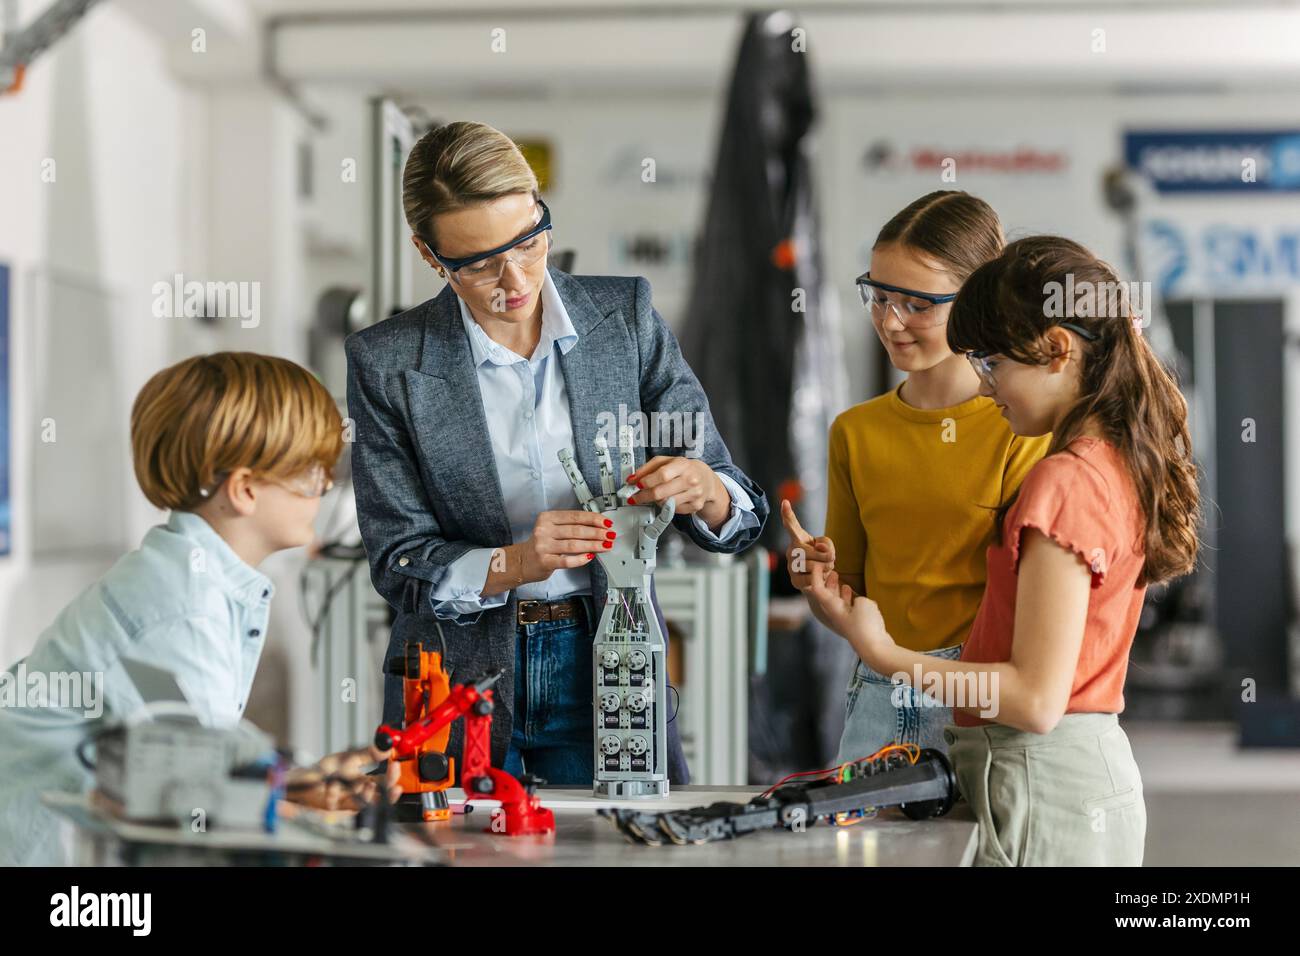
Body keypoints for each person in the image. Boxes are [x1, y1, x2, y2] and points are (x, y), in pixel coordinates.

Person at [346, 121, 768, 785]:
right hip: (459, 676)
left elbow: (734, 502)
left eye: (529, 239)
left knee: (628, 853)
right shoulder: (388, 361)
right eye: (480, 263)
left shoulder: (623, 317)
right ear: (430, 256)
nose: (515, 278)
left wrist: (706, 490)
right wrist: (515, 562)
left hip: (608, 653)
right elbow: (398, 562)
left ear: (540, 207)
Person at [803, 236, 1200, 865]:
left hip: (1044, 785)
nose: (986, 389)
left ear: (1057, 350)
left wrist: (884, 654)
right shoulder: (1109, 463)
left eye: (992, 363)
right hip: (1051, 779)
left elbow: (1034, 700)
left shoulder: (1063, 479)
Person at [0, 352, 394, 866]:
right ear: (245, 489)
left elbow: (190, 747)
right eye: (311, 472)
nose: (323, 487)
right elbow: (193, 800)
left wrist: (298, 781)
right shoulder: (182, 608)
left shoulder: (188, 577)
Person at [782, 191, 1049, 763]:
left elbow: (1036, 614)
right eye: (878, 296)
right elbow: (853, 594)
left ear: (977, 299)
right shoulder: (856, 432)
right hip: (876, 696)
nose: (890, 321)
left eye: (917, 303)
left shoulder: (1021, 430)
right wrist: (822, 587)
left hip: (977, 701)